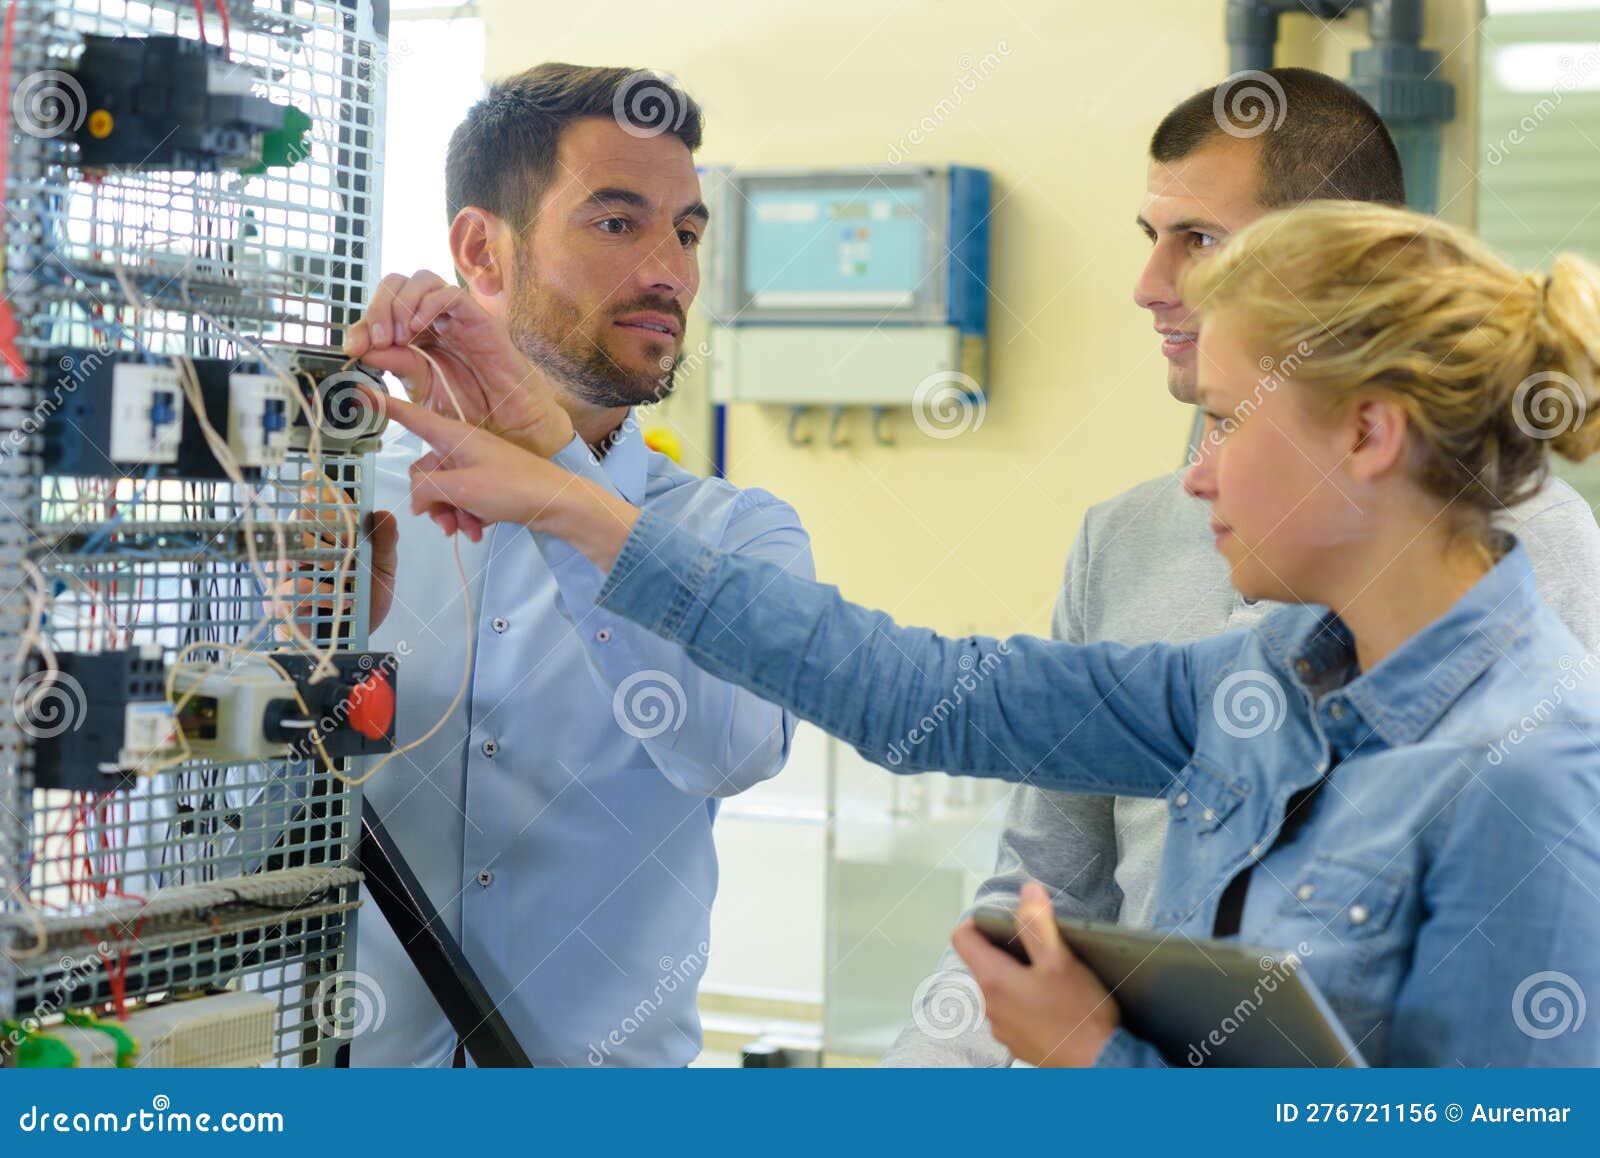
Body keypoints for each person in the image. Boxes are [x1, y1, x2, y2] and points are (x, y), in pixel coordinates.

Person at [370, 199, 1600, 1067]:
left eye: (1225, 422)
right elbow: (927, 692)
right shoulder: (1271, 680)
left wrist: (1087, 1058)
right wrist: (572, 493)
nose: (1196, 478)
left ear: (1368, 435)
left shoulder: (1531, 777)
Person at [884, 68, 1600, 1066]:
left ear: (1330, 261)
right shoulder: (1123, 540)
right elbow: (1040, 890)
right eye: (1152, 238)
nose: (1148, 285)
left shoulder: (1528, 559)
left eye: (1201, 242)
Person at [336, 63, 814, 1067]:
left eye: (685, 232)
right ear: (482, 250)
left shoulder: (739, 539)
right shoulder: (343, 517)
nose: (671, 272)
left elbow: (727, 752)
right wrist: (313, 658)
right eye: (617, 224)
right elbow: (232, 846)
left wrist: (556, 483)